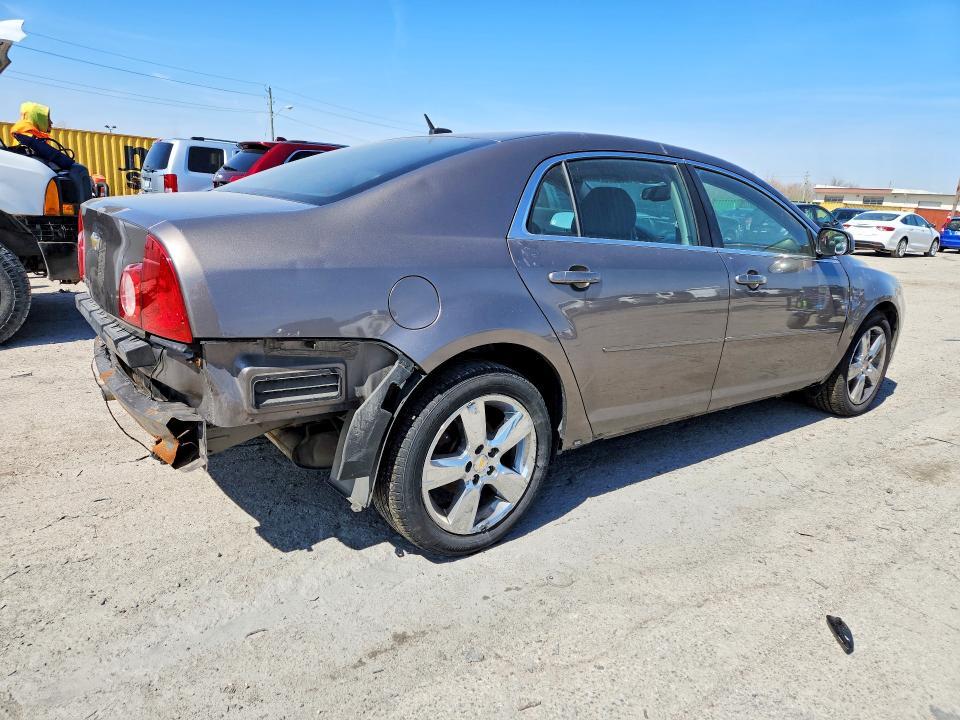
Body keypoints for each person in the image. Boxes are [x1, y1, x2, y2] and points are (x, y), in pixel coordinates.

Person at [9, 101, 92, 204]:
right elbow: (51, 154)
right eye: (47, 119)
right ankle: (83, 212)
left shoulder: (26, 135)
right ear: (37, 118)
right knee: (79, 170)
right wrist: (70, 163)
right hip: (35, 183)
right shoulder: (26, 136)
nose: (51, 122)